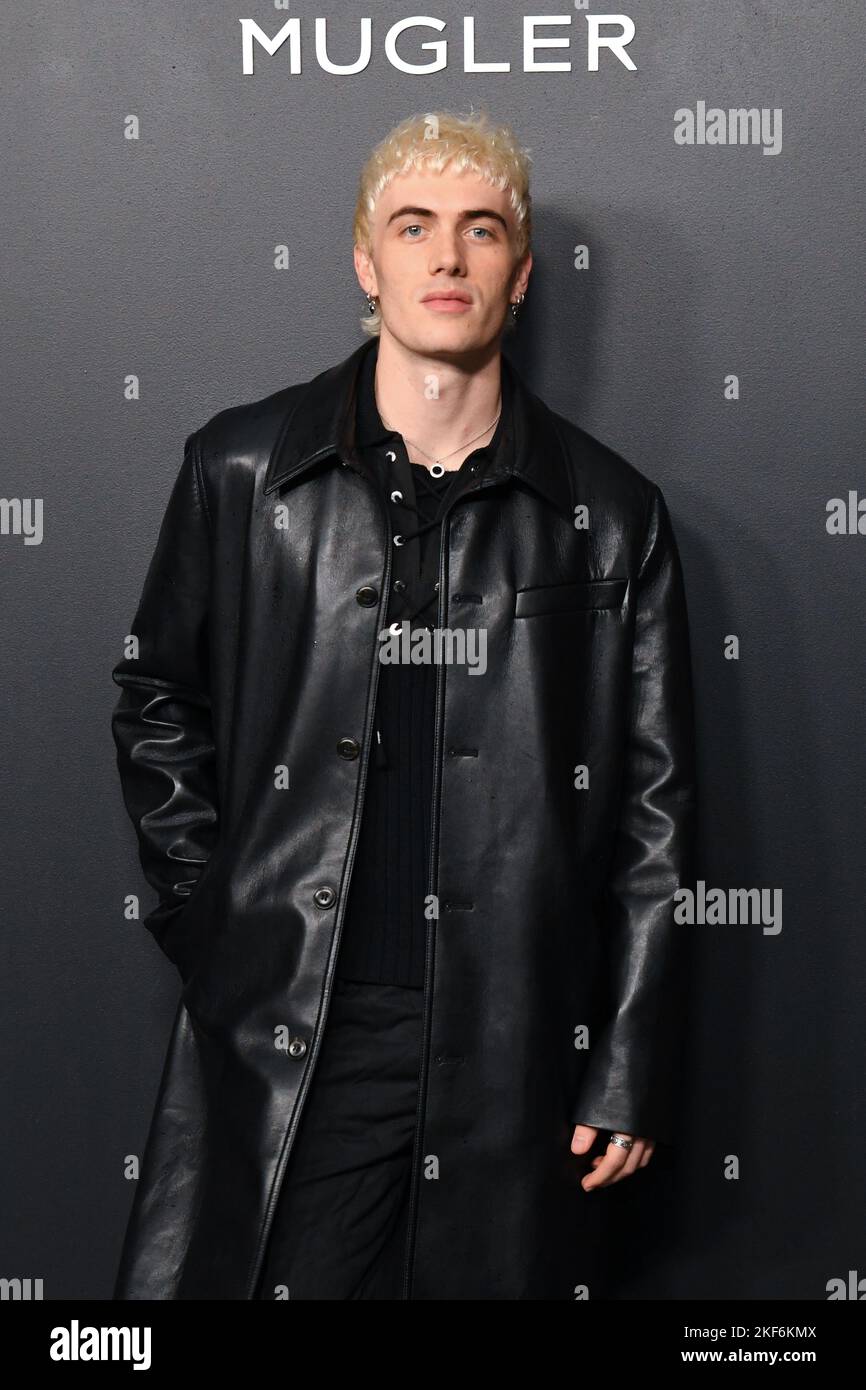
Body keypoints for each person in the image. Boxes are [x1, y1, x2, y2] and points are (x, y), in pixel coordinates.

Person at [111, 108, 697, 1301]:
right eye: (413, 226)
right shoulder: (242, 471)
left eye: (480, 230)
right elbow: (158, 696)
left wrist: (627, 1055)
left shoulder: (611, 515)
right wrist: (219, 920)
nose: (447, 256)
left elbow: (655, 814)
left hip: (508, 1039)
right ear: (364, 262)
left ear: (519, 274)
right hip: (303, 1024)